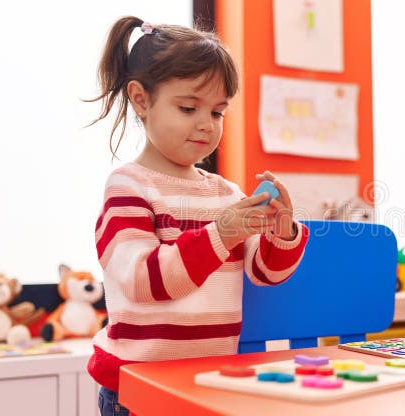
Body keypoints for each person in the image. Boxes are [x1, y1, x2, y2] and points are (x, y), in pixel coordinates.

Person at [86, 16, 309, 415]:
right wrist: (220, 234)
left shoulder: (226, 193)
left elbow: (266, 273)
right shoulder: (128, 187)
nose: (206, 125)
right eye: (189, 108)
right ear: (141, 99)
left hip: (207, 382)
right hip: (140, 388)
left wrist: (282, 231)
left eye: (218, 112)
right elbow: (145, 280)